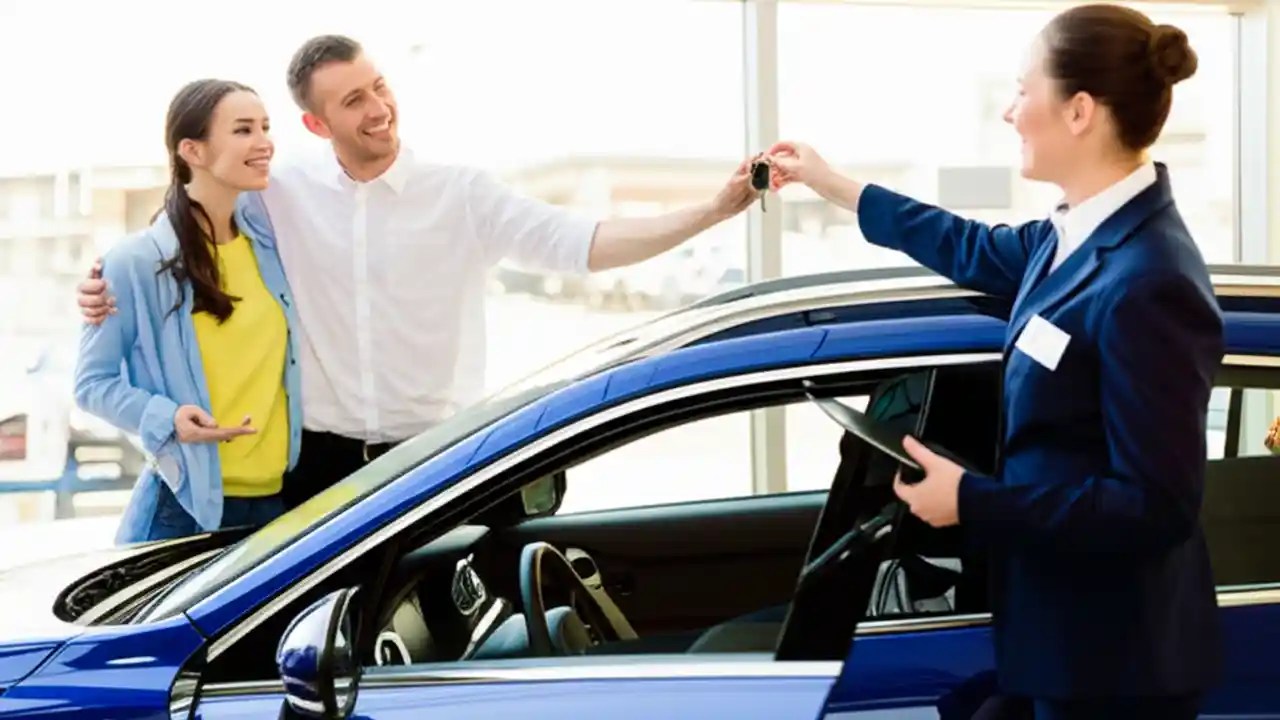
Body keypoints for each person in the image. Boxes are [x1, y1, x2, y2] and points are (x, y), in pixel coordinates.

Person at [765, 4, 1221, 719]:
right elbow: (970, 247)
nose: (1009, 112)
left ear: (1078, 111)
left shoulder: (1150, 279)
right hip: (1060, 640)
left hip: (1115, 664)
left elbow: (1153, 506)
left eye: (1020, 91)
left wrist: (970, 501)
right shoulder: (1072, 234)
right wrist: (835, 185)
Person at [76, 34, 760, 510]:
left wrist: (713, 211)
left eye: (378, 87)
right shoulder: (279, 194)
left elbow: (585, 243)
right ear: (317, 126)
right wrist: (104, 284)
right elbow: (196, 211)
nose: (377, 109)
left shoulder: (461, 193)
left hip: (438, 459)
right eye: (352, 102)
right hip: (319, 470)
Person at [74, 79, 302, 544]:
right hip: (184, 510)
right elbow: (91, 385)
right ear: (192, 151)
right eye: (243, 130)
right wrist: (168, 417)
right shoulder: (136, 262)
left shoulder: (271, 250)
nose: (264, 143)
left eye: (265, 126)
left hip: (274, 507)